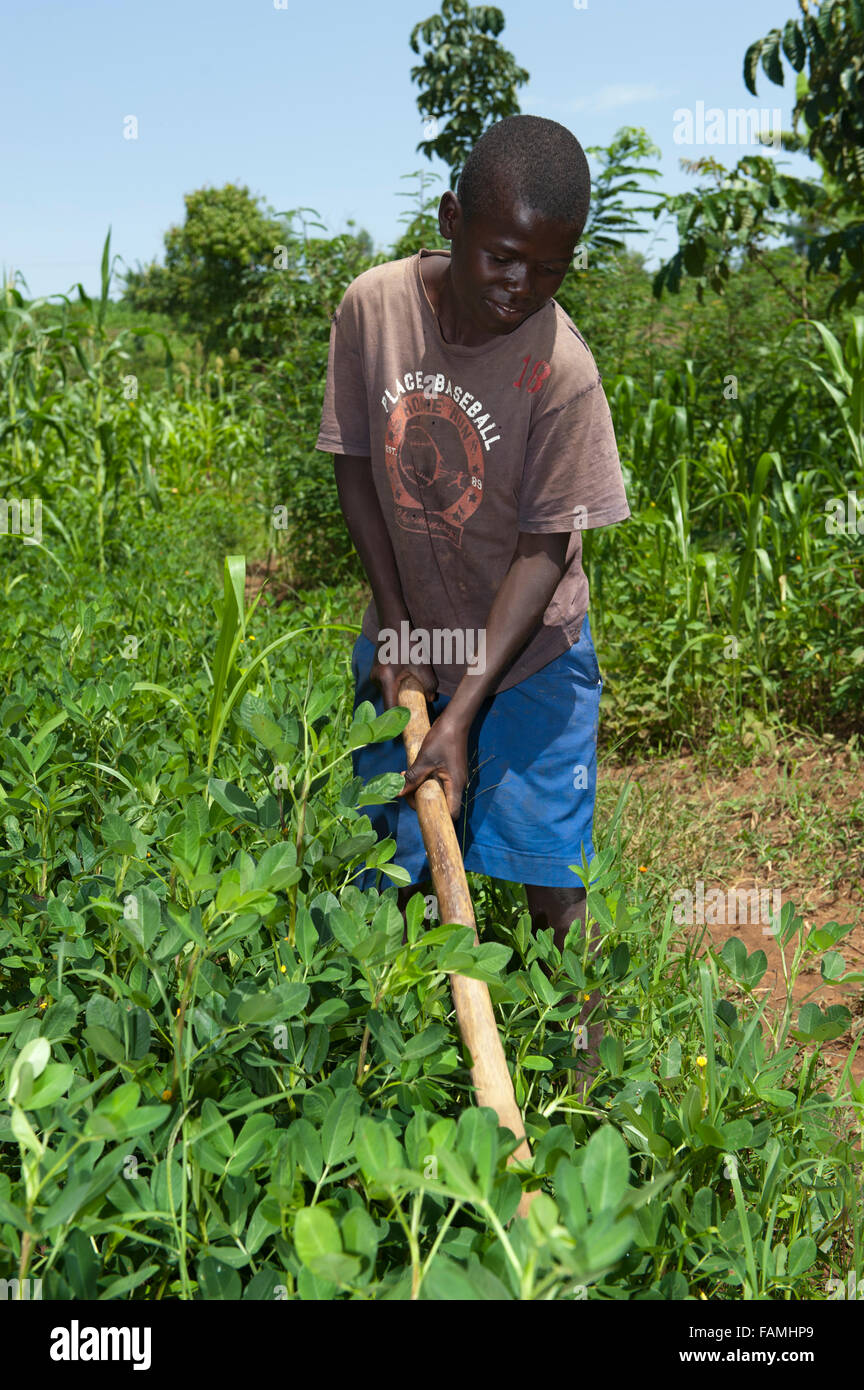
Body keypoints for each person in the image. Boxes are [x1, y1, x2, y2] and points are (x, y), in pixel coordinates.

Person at [316, 115, 631, 1072]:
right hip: (410, 634)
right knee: (392, 861)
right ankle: (384, 1060)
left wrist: (463, 717)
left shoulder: (561, 374)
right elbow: (358, 469)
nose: (521, 286)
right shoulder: (373, 311)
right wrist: (402, 631)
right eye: (502, 257)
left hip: (530, 655)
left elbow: (545, 551)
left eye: (550, 267)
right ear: (451, 218)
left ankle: (584, 1075)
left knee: (548, 870)